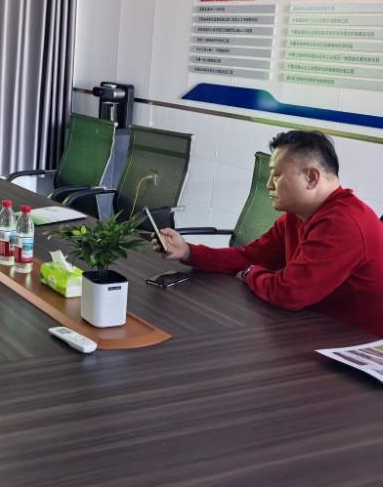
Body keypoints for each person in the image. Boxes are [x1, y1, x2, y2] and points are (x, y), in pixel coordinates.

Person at [156, 130, 383, 336]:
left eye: (276, 175)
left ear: (311, 178)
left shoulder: (343, 223)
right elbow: (248, 256)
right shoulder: (298, 214)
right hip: (312, 327)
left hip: (356, 345)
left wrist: (250, 273)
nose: (268, 185)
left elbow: (290, 293)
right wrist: (188, 252)